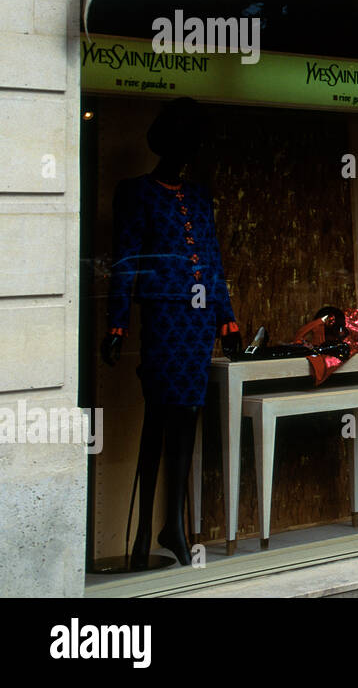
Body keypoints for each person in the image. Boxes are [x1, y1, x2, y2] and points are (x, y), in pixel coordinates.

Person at [100, 98, 241, 568]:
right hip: (163, 320)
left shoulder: (199, 196)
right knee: (158, 420)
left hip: (198, 326)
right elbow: (126, 260)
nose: (190, 155)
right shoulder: (135, 192)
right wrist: (117, 323)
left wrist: (227, 319)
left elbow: (213, 258)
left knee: (186, 420)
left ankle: (172, 526)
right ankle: (142, 534)